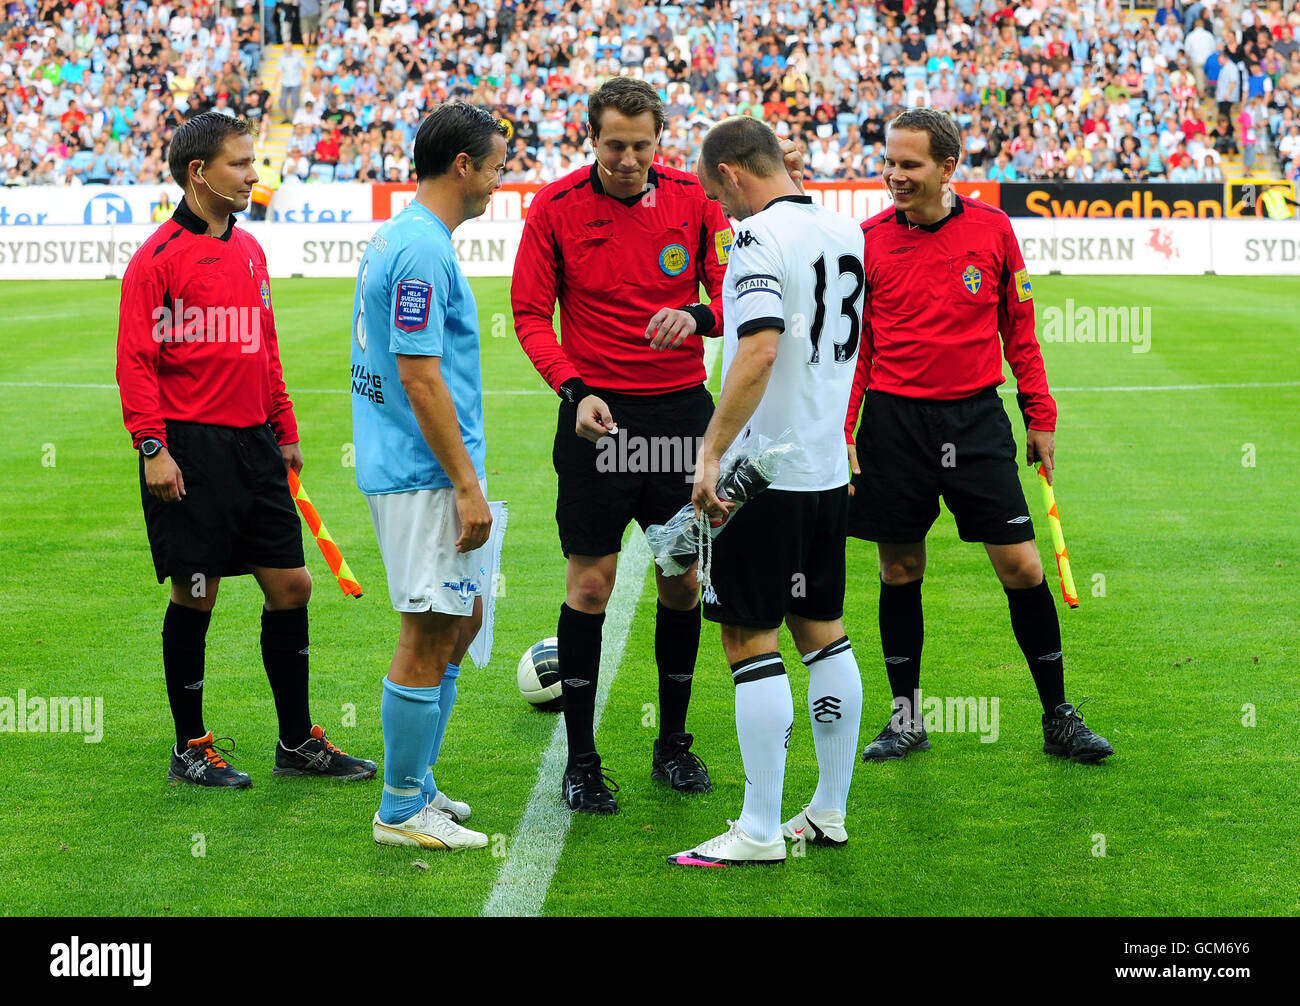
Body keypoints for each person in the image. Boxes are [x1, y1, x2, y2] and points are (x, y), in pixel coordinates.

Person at [840, 108, 1113, 765]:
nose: (895, 176)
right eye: (890, 163)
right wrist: (843, 429)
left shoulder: (993, 232)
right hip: (895, 424)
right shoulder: (867, 239)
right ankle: (906, 719)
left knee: (1021, 566)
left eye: (910, 165)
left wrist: (1039, 414)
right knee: (899, 567)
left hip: (976, 419)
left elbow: (1020, 327)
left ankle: (1058, 717)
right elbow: (861, 347)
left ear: (947, 167)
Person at [116, 112, 377, 788]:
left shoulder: (251, 250)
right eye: (240, 164)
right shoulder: (156, 259)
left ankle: (296, 743)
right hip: (190, 449)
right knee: (196, 592)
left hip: (256, 445)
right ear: (199, 173)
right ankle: (190, 747)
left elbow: (265, 346)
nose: (253, 176)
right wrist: (153, 449)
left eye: (253, 163)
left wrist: (284, 426)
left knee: (292, 585)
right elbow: (136, 362)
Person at [511, 77, 729, 813]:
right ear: (591, 139)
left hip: (679, 424)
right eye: (615, 146)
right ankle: (581, 761)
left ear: (658, 141)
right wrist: (574, 389)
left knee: (680, 581)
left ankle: (673, 746)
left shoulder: (695, 202)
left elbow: (737, 295)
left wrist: (696, 313)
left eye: (641, 146)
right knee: (591, 586)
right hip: (596, 425)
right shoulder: (556, 207)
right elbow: (530, 314)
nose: (629, 159)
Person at [666, 117, 867, 867]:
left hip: (765, 474)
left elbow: (758, 347)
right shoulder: (846, 231)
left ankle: (756, 829)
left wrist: (711, 452)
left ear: (730, 174)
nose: (724, 214)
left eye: (720, 197)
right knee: (824, 630)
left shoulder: (755, 239)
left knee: (750, 636)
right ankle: (828, 811)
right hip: (823, 467)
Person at [352, 103, 508, 850]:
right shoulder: (420, 249)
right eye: (497, 167)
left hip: (429, 468)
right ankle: (399, 807)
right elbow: (418, 377)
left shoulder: (410, 237)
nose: (499, 183)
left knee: (459, 619)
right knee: (428, 628)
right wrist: (465, 482)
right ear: (463, 166)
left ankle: (419, 780)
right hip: (422, 473)